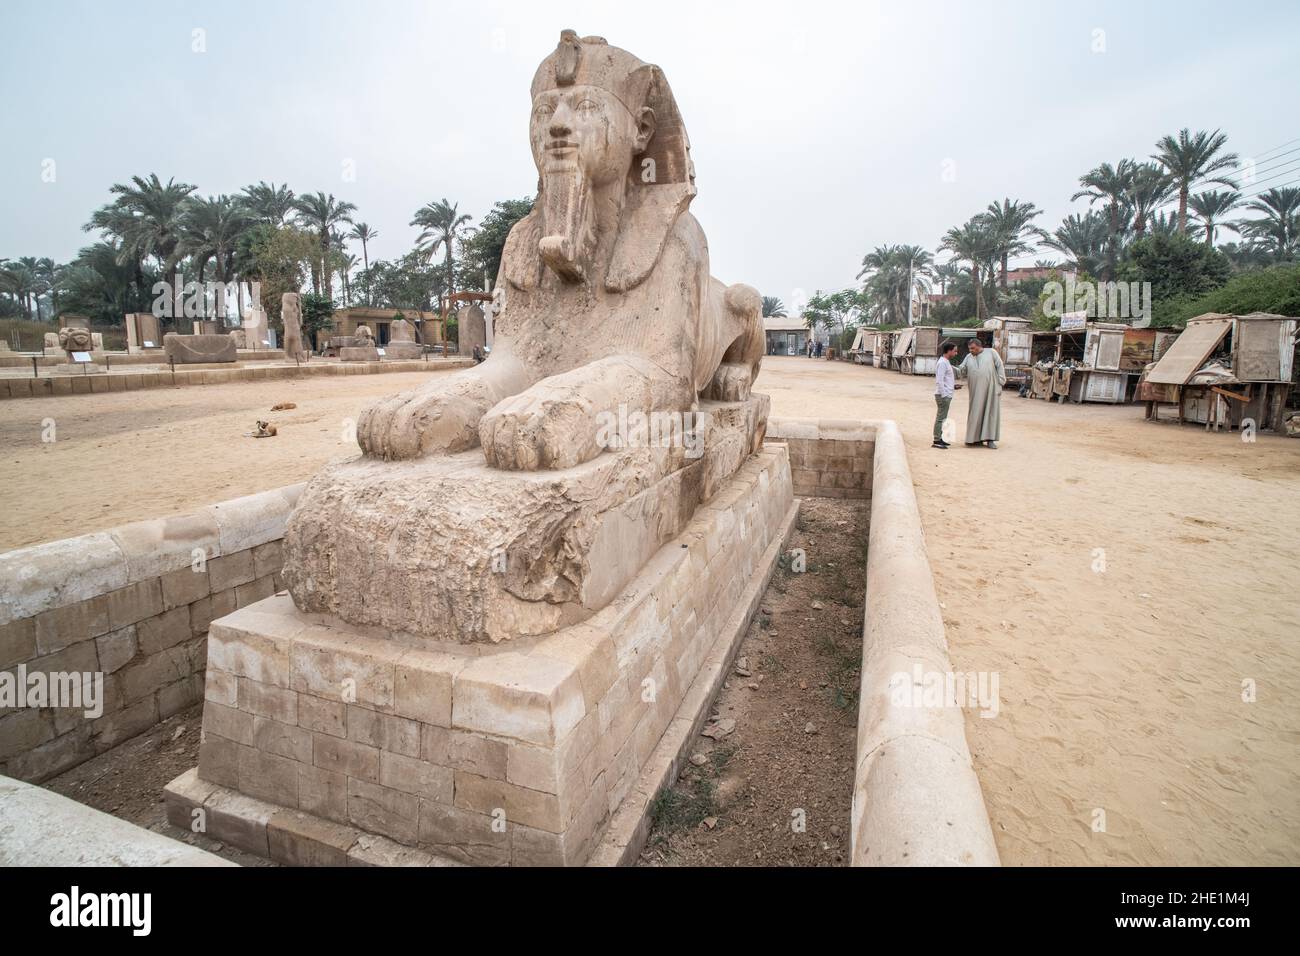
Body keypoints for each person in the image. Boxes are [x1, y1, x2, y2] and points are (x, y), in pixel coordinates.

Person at [956, 338, 1006, 448]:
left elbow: (1000, 366)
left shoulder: (991, 352)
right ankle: (974, 439)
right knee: (975, 413)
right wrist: (950, 368)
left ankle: (990, 440)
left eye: (973, 348)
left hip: (991, 388)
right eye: (969, 349)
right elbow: (962, 369)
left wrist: (1000, 382)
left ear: (979, 346)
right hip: (975, 391)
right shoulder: (969, 357)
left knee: (990, 413)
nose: (971, 350)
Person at [932, 340, 958, 449]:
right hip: (943, 395)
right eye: (955, 351)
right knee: (940, 418)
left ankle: (940, 438)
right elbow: (939, 380)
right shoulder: (942, 362)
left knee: (943, 418)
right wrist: (944, 395)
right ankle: (936, 440)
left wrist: (953, 386)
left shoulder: (946, 362)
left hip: (946, 394)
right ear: (949, 351)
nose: (956, 353)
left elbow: (946, 380)